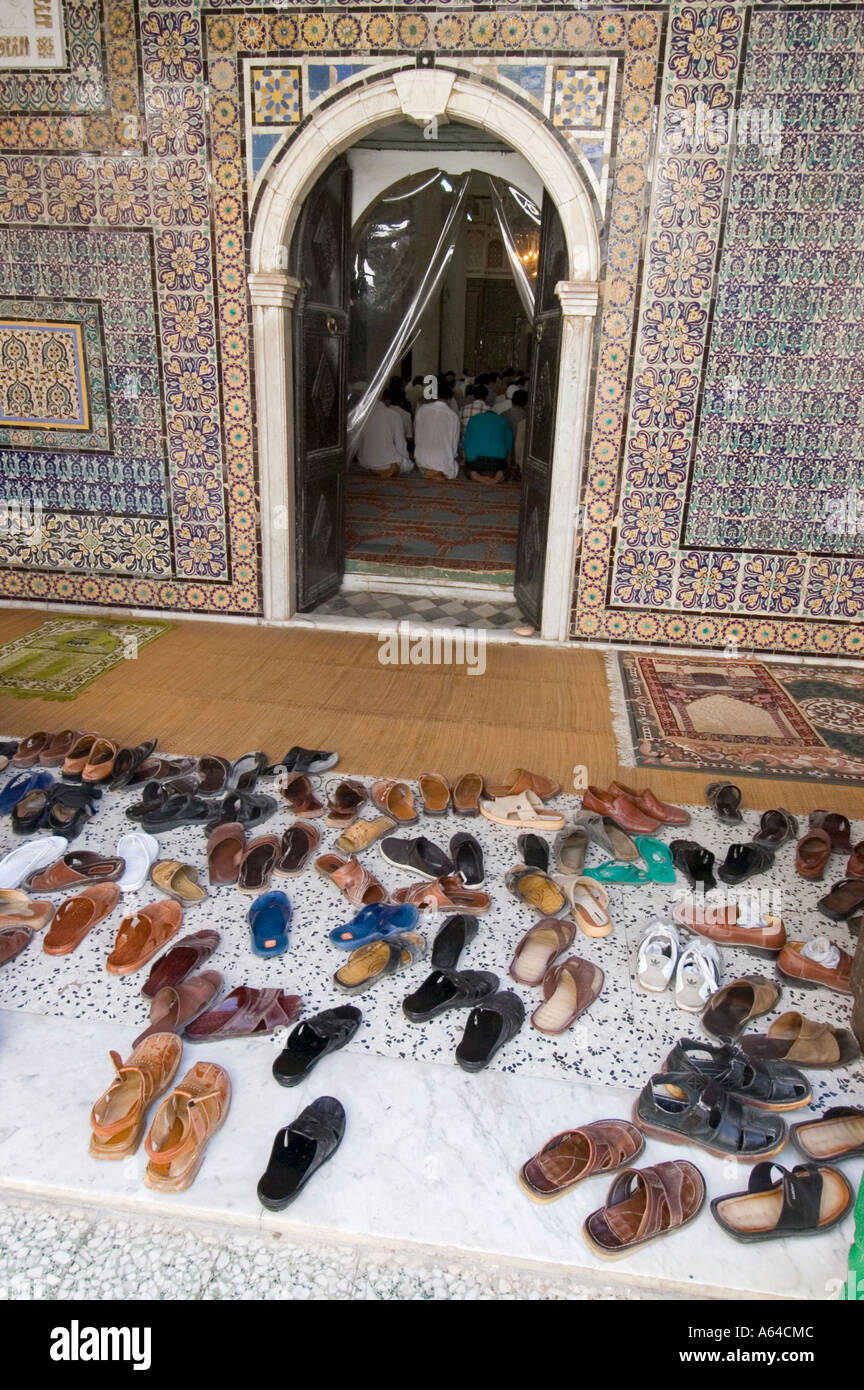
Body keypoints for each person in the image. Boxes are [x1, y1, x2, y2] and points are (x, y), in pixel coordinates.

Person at [356, 391, 411, 477]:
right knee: (408, 465)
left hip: (366, 462)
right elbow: (401, 444)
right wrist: (405, 459)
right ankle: (390, 469)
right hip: (389, 461)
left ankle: (374, 470)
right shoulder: (394, 415)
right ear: (387, 400)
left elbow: (359, 443)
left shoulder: (362, 415)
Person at [414, 381, 459, 480]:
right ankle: (437, 471)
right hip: (442, 460)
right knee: (454, 470)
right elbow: (454, 445)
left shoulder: (422, 409)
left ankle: (429, 470)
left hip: (421, 458)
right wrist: (453, 456)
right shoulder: (452, 416)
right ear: (450, 399)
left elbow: (416, 434)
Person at [463, 406, 512, 484]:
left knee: (468, 469)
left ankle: (476, 476)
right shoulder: (503, 420)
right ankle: (498, 477)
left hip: (476, 462)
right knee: (505, 471)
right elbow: (509, 449)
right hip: (497, 462)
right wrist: (507, 467)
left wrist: (465, 461)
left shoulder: (473, 419)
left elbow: (466, 443)